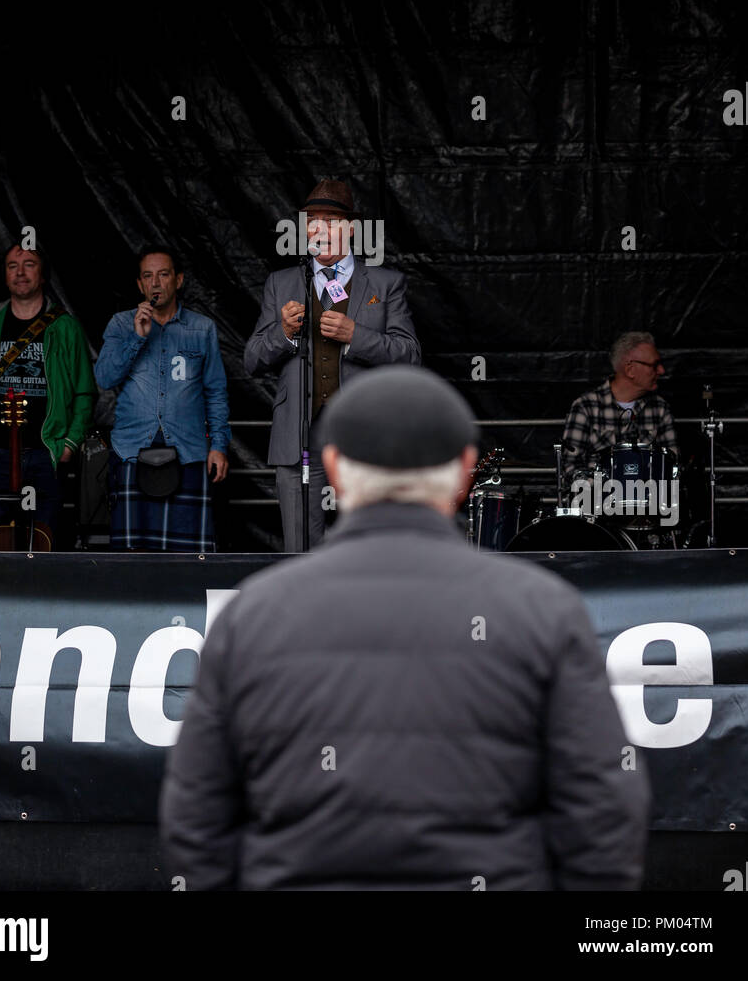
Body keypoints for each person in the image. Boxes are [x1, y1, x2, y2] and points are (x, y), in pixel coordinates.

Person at [160, 365, 650, 891]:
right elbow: (604, 808)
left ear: (334, 469)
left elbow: (195, 817)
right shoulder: (544, 609)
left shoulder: (253, 615)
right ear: (465, 469)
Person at [243, 178, 420, 550]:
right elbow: (252, 359)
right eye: (313, 221)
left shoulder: (385, 285)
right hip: (299, 438)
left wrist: (357, 334)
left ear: (350, 229)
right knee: (299, 550)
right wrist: (285, 333)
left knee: (367, 548)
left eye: (330, 220)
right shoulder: (282, 283)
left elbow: (409, 355)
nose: (320, 229)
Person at [0, 242, 96, 550]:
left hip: (46, 450)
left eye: (29, 264)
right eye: (12, 265)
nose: (20, 272)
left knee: (46, 537)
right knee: (0, 537)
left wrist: (69, 445)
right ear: (4, 276)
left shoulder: (65, 326)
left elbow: (85, 392)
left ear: (43, 274)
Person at [95, 244, 230, 552]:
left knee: (188, 556)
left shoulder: (201, 328)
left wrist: (219, 445)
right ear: (140, 285)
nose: (156, 283)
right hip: (132, 447)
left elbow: (216, 391)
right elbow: (104, 378)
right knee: (132, 555)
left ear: (178, 280)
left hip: (188, 450)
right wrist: (136, 337)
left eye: (163, 274)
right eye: (148, 276)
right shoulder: (120, 323)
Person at [561, 330, 679, 485]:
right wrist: (604, 487)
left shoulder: (660, 409)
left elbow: (673, 467)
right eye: (654, 365)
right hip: (596, 505)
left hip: (648, 505)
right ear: (630, 369)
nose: (661, 371)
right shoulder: (586, 407)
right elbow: (568, 467)